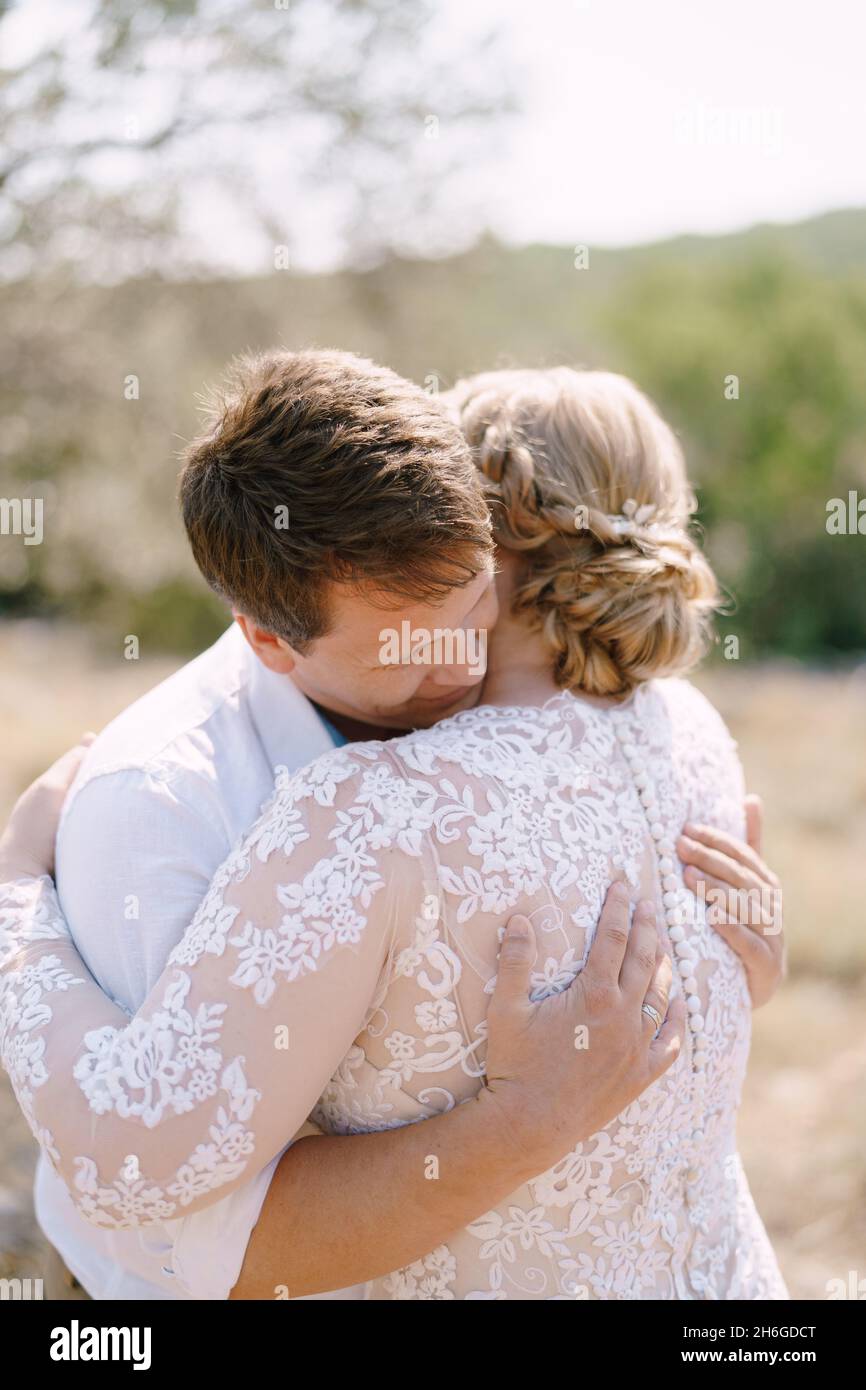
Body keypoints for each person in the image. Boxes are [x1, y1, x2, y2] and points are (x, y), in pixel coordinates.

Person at [0, 357, 785, 1299]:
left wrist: (11, 889)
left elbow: (140, 1165)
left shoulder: (369, 809)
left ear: (476, 530)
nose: (445, 664)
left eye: (463, 605)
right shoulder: (687, 727)